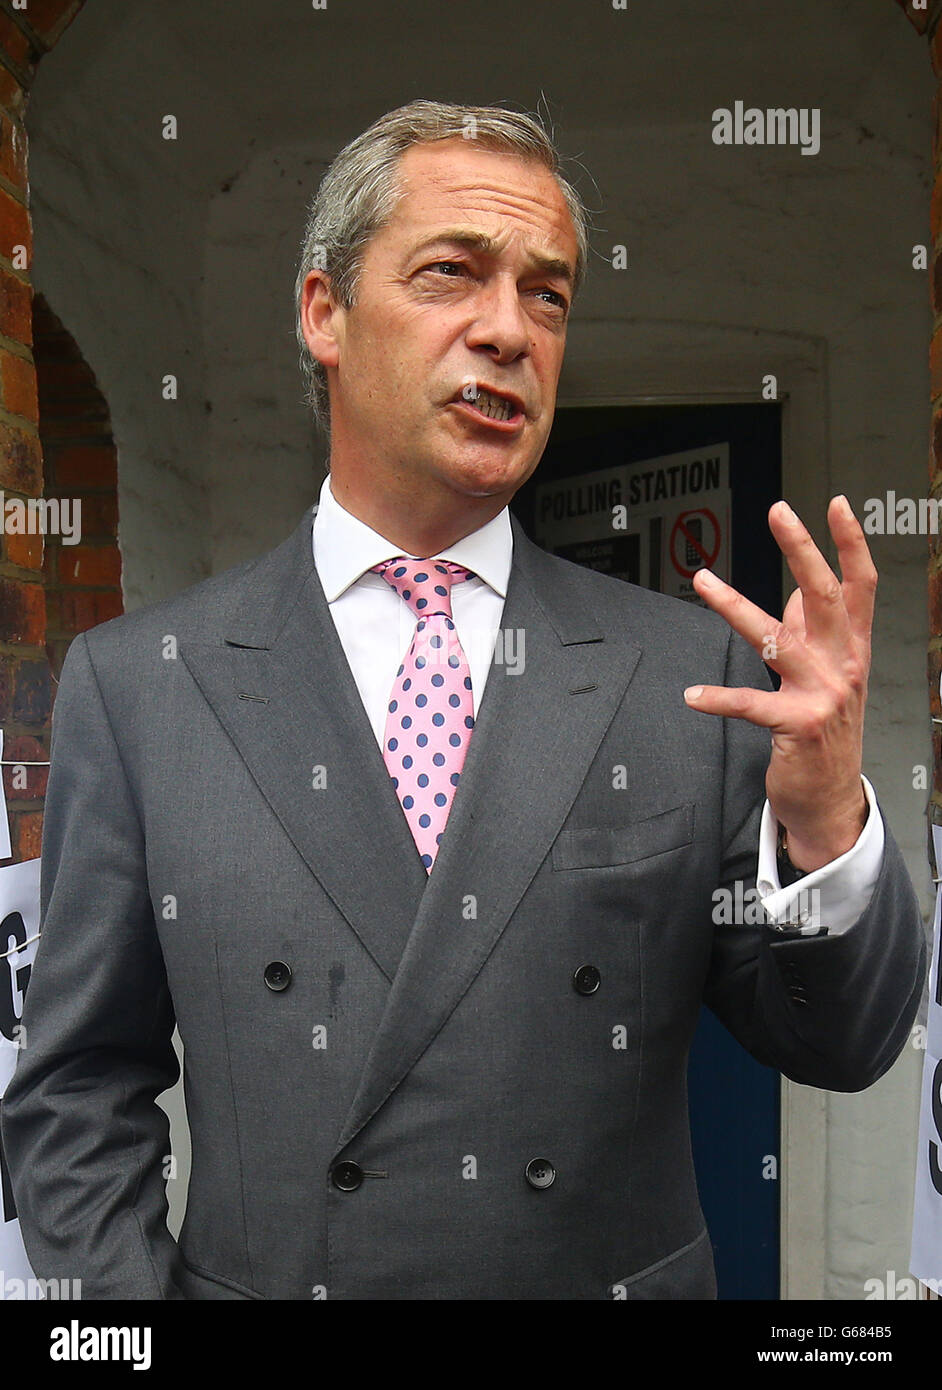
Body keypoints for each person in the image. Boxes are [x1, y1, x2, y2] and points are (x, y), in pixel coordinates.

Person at [1, 100, 926, 1300]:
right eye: (453, 274)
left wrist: (826, 824)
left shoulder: (687, 675)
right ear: (323, 313)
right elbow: (75, 1091)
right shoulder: (141, 688)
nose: (509, 329)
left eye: (548, 294)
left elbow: (841, 1043)